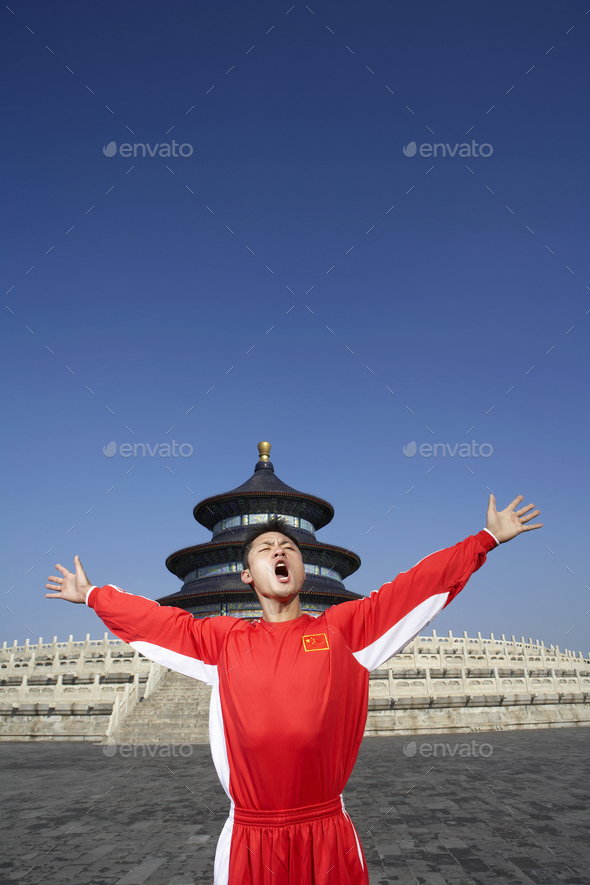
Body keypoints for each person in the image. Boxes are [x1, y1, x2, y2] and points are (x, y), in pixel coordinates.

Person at [46, 493, 541, 885]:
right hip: (251, 836)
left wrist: (484, 540)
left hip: (326, 831)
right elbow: (157, 622)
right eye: (265, 549)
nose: (279, 551)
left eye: (289, 548)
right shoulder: (222, 641)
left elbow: (414, 586)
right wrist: (92, 594)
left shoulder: (346, 632)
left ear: (302, 569)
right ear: (247, 574)